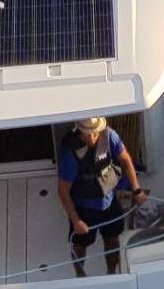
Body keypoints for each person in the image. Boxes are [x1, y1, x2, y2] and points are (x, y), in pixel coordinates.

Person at [56, 116, 146, 277]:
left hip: (109, 201)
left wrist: (136, 190)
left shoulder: (109, 136)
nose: (90, 137)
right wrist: (76, 220)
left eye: (94, 132)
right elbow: (63, 190)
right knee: (79, 245)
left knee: (112, 240)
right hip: (84, 208)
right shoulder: (70, 152)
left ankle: (111, 271)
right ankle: (80, 274)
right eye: (86, 133)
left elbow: (125, 160)